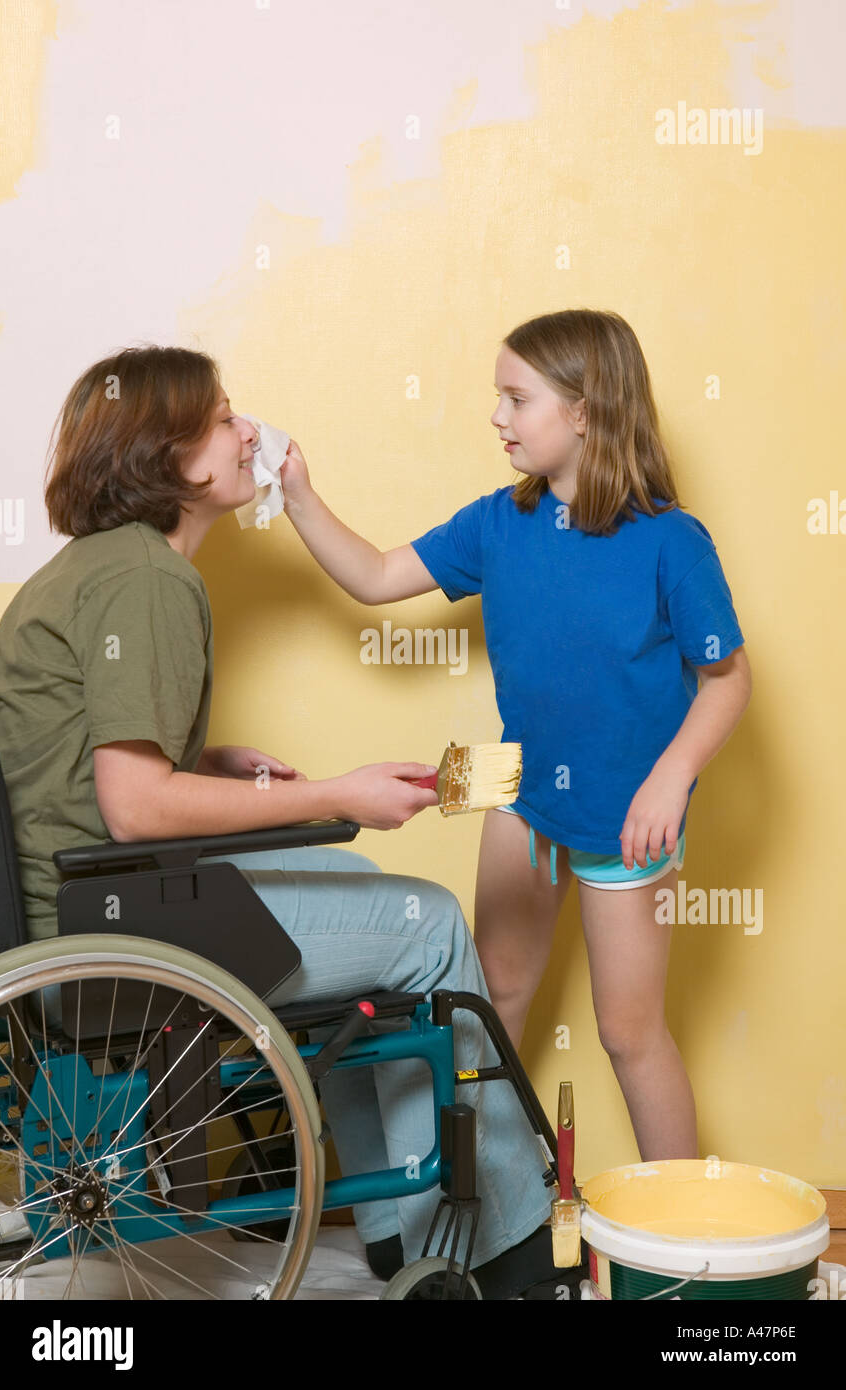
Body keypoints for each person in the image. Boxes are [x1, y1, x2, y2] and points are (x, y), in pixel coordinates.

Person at [0, 344, 577, 1299]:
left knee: (368, 899)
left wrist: (210, 765)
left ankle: (398, 1236)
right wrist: (338, 796)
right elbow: (134, 809)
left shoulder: (102, 567)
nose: (248, 430)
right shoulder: (148, 581)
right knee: (427, 925)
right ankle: (502, 1254)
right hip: (109, 929)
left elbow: (92, 772)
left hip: (87, 905)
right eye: (223, 418)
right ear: (170, 457)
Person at [277, 308, 752, 1165]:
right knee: (490, 999)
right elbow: (379, 576)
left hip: (629, 811)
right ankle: (489, 1212)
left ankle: (685, 1242)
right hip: (517, 786)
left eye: (516, 398)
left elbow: (726, 681)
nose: (497, 417)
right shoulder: (499, 521)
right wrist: (300, 497)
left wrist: (669, 781)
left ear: (584, 409)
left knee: (628, 1033)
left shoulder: (672, 543)